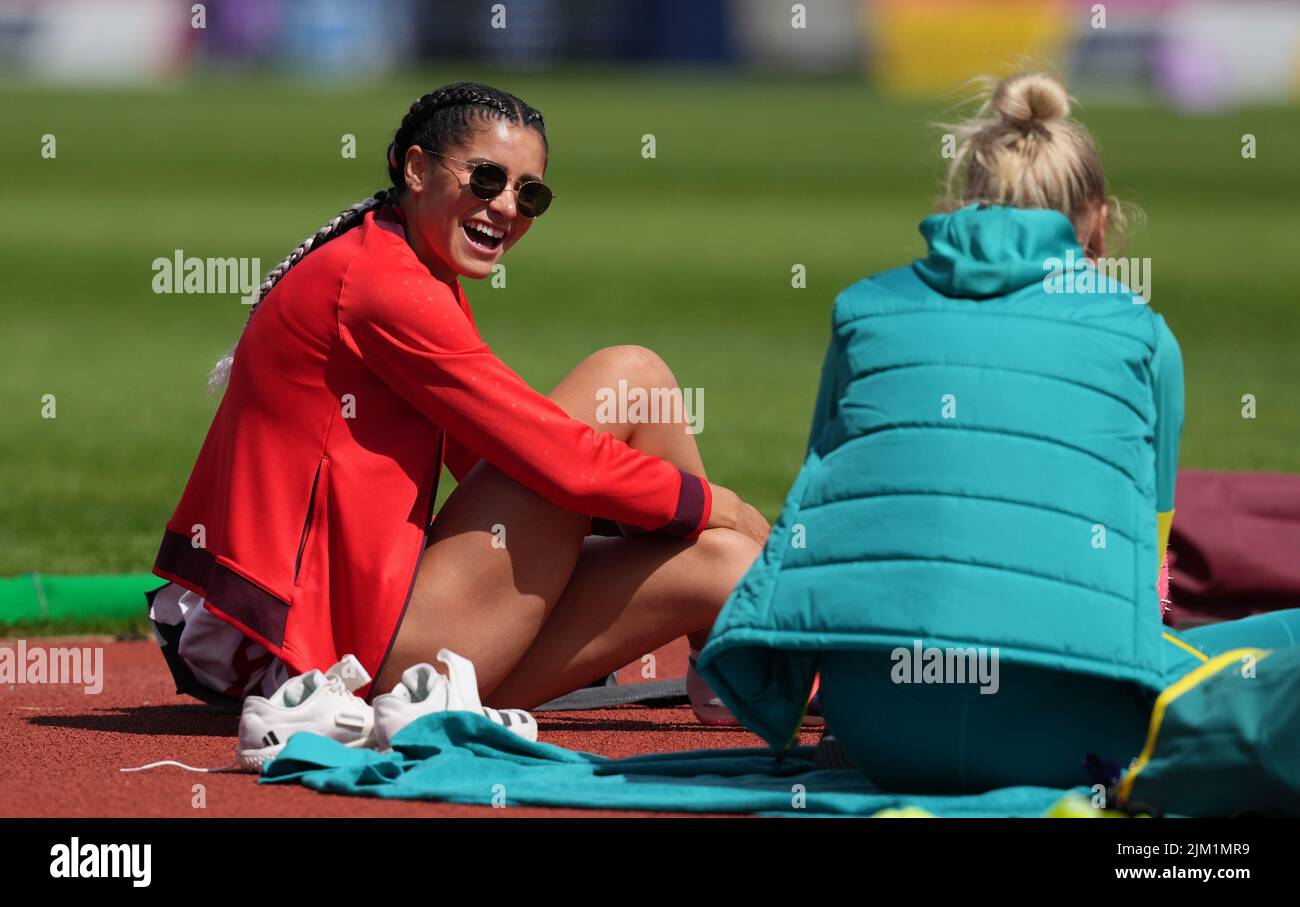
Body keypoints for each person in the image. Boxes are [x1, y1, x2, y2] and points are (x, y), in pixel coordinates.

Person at [147, 82, 768, 727]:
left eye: (530, 193)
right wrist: (727, 509)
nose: (505, 206)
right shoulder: (384, 285)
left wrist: (681, 526)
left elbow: (491, 462)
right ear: (416, 169)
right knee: (690, 482)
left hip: (364, 629)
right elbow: (556, 462)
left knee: (723, 559)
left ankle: (734, 666)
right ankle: (765, 659)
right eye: (487, 177)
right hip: (339, 664)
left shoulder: (401, 262)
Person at [698, 71, 1236, 791]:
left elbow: (820, 536)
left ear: (960, 201)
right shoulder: (1145, 336)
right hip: (1068, 736)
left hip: (875, 727)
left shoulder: (863, 310)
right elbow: (1150, 570)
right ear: (1099, 218)